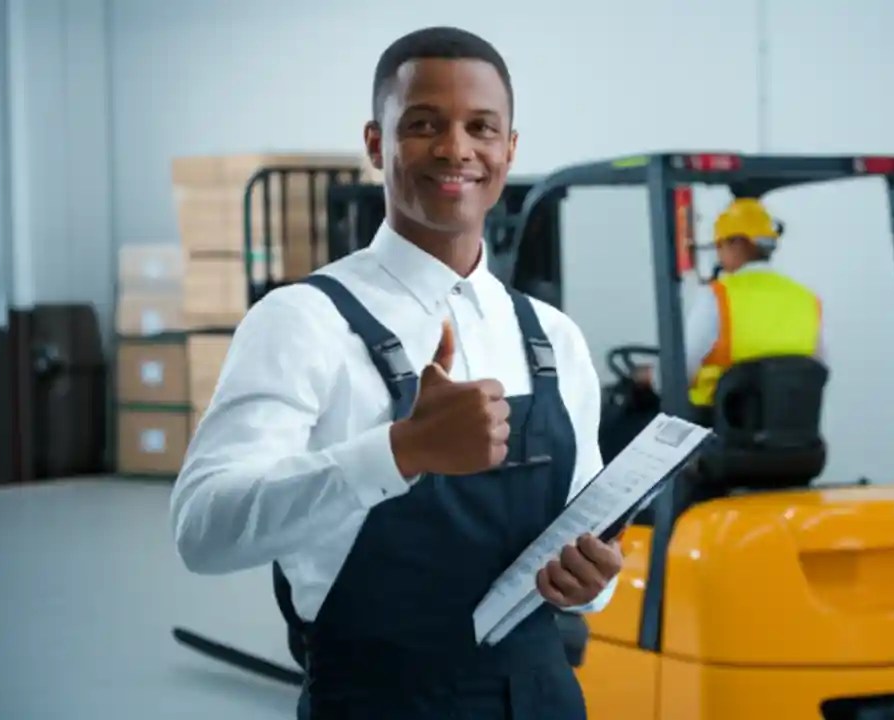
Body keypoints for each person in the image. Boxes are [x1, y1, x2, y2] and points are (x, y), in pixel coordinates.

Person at [169, 26, 621, 720]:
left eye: (481, 127)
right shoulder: (303, 322)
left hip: (545, 699)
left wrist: (590, 584)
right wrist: (398, 452)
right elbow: (203, 529)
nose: (456, 149)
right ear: (376, 143)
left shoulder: (553, 338)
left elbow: (583, 539)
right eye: (423, 124)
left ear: (510, 150)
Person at [683, 197, 826, 425]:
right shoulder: (806, 298)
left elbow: (680, 371)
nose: (718, 254)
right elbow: (817, 366)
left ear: (736, 243)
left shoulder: (718, 297)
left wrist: (651, 378)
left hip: (716, 433)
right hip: (791, 436)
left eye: (719, 245)